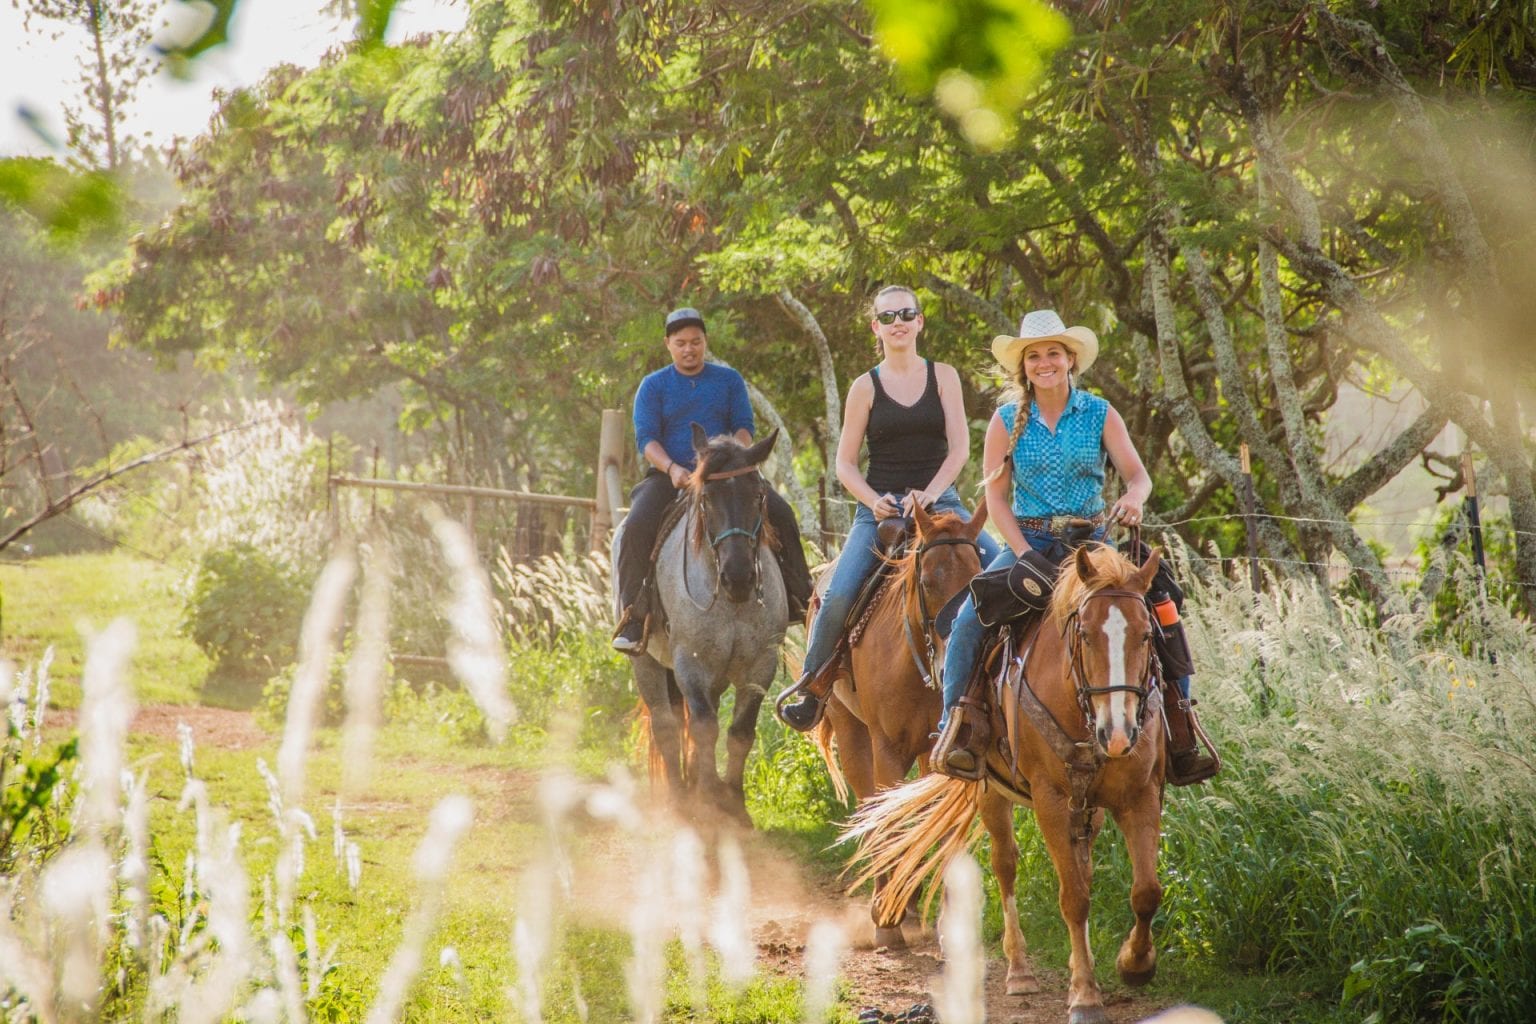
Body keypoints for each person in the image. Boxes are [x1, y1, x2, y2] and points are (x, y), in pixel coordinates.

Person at [934, 309, 1218, 783]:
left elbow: (1138, 476)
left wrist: (1132, 498)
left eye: (1053, 354)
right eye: (1034, 356)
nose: (1044, 363)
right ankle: (957, 729)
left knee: (1163, 610)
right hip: (1031, 540)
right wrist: (1022, 552)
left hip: (1094, 543)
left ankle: (1181, 728)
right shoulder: (1005, 422)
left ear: (1070, 360)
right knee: (968, 619)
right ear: (1022, 367)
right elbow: (996, 500)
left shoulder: (1100, 413)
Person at [777, 285, 1001, 732]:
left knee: (1000, 570)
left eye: (906, 313)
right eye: (887, 316)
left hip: (942, 504)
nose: (897, 321)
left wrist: (930, 494)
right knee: (838, 593)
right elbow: (844, 463)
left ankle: (1007, 680)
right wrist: (872, 500)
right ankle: (814, 686)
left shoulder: (944, 377)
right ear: (875, 328)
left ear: (919, 321)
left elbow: (959, 450)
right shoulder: (865, 386)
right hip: (879, 510)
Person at [613, 306, 813, 654]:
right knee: (635, 525)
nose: (689, 349)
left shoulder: (728, 380)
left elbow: (744, 428)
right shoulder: (653, 385)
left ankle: (800, 596)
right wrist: (674, 469)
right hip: (671, 476)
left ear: (705, 342)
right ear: (668, 345)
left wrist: (737, 460)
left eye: (695, 342)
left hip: (728, 475)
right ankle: (634, 615)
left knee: (781, 513)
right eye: (681, 343)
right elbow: (647, 440)